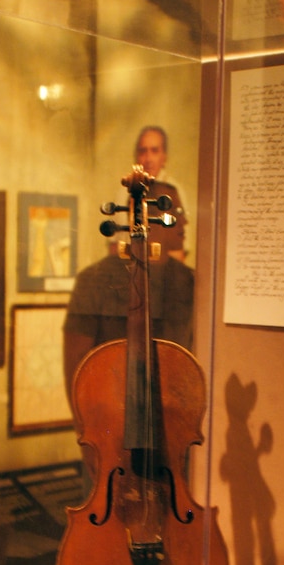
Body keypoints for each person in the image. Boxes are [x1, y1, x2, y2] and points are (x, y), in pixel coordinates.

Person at [63, 126, 193, 405]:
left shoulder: (173, 193)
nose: (148, 157)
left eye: (155, 150)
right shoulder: (97, 280)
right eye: (143, 150)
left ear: (165, 156)